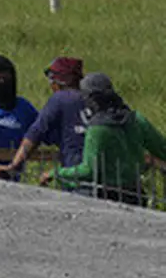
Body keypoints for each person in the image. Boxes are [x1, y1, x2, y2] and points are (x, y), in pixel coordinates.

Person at [51, 73, 166, 205]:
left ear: (92, 99)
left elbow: (88, 170)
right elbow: (162, 149)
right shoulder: (136, 120)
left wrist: (58, 172)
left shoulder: (98, 129)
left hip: (107, 196)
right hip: (136, 195)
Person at [0, 57, 88, 182]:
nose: (51, 85)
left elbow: (36, 134)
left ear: (60, 81)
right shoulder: (97, 99)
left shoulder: (60, 99)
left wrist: (14, 166)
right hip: (109, 176)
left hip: (75, 174)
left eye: (52, 80)